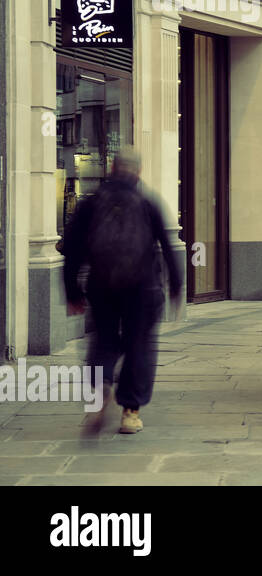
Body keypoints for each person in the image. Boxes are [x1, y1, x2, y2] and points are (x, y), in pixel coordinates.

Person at [62, 147, 181, 435]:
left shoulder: (91, 204)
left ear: (113, 167)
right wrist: (176, 286)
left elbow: (73, 249)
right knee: (139, 346)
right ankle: (130, 411)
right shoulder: (146, 203)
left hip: (102, 287)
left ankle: (101, 386)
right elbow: (166, 245)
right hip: (143, 289)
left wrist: (72, 291)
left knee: (103, 341)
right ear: (137, 171)